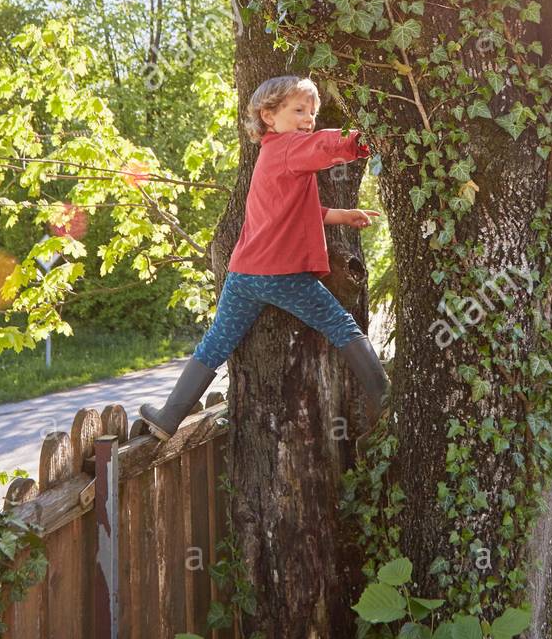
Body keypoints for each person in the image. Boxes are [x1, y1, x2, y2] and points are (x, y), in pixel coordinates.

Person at [139, 74, 389, 450]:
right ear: (268, 116)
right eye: (299, 110)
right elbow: (326, 146)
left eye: (313, 111)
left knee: (217, 342)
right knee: (342, 326)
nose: (308, 118)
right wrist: (364, 140)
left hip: (244, 274)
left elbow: (295, 212)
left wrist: (342, 215)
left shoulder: (272, 154)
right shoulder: (292, 147)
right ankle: (387, 402)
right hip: (281, 273)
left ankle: (168, 417)